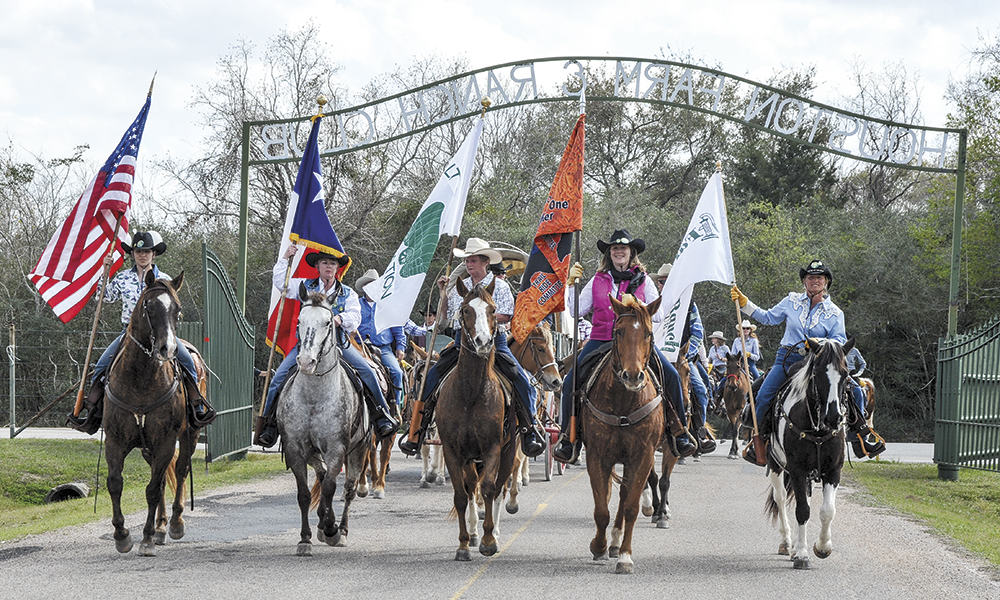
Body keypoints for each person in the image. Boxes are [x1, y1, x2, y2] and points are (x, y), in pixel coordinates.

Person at [552, 230, 697, 463]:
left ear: (632, 253)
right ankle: (569, 438)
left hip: (636, 342)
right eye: (614, 249)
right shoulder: (598, 280)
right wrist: (570, 285)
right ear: (610, 254)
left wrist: (638, 306)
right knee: (571, 380)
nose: (619, 252)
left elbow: (658, 316)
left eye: (624, 248)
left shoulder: (644, 280)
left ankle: (679, 432)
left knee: (670, 375)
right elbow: (576, 309)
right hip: (601, 339)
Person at [398, 238, 546, 458]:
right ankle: (418, 430)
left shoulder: (500, 285)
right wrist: (444, 294)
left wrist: (482, 316)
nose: (469, 264)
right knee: (431, 376)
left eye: (473, 260)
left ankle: (529, 429)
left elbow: (507, 314)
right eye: (467, 260)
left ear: (485, 262)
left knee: (522, 379)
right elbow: (446, 318)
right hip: (463, 343)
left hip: (495, 342)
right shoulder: (461, 286)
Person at [731, 260, 885, 461]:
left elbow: (839, 340)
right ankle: (760, 442)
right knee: (763, 396)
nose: (815, 281)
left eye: (819, 278)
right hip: (787, 359)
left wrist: (816, 343)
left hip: (818, 362)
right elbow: (768, 317)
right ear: (804, 281)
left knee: (855, 390)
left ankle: (860, 438)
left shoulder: (835, 313)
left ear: (826, 282)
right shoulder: (791, 301)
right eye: (811, 277)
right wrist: (745, 304)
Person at [68, 231, 215, 434]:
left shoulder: (165, 280)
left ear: (154, 254)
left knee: (187, 360)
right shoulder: (122, 278)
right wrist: (105, 271)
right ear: (133, 254)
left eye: (146, 251)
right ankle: (93, 412)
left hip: (161, 334)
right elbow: (104, 297)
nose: (142, 255)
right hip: (129, 334)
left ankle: (196, 406)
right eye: (138, 251)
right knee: (101, 365)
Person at [255, 246, 399, 448]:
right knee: (278, 378)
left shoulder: (347, 293)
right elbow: (282, 283)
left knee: (368, 371)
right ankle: (270, 426)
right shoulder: (304, 286)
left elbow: (355, 317)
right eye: (325, 263)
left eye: (332, 263)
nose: (328, 267)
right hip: (306, 346)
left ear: (338, 268)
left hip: (338, 343)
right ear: (317, 266)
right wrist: (284, 258)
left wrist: (340, 318)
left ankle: (381, 416)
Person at [653, 263, 715, 453]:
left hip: (683, 357)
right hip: (656, 354)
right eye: (662, 281)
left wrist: (686, 354)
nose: (663, 285)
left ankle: (699, 432)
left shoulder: (689, 305)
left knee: (701, 389)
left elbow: (697, 332)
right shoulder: (653, 301)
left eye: (667, 281)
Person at [355, 269, 406, 412]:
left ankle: (395, 405)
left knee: (397, 372)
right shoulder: (356, 304)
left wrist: (401, 347)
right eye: (369, 284)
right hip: (359, 347)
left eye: (375, 284)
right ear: (364, 287)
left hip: (383, 348)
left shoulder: (388, 305)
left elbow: (398, 328)